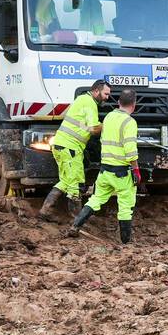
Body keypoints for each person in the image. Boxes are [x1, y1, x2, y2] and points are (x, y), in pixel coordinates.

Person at [70, 88, 139, 244]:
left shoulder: (108, 117)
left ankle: (75, 225)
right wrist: (136, 169)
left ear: (119, 102)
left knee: (96, 199)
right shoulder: (130, 122)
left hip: (104, 171)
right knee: (125, 207)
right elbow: (130, 151)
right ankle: (126, 242)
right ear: (134, 105)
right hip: (121, 174)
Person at [41, 79, 110, 221]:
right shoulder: (90, 103)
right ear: (96, 91)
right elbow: (93, 129)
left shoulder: (81, 99)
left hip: (62, 145)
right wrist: (109, 124)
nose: (107, 97)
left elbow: (81, 126)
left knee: (66, 181)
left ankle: (46, 210)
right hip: (70, 148)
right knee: (76, 184)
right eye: (106, 94)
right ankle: (77, 219)